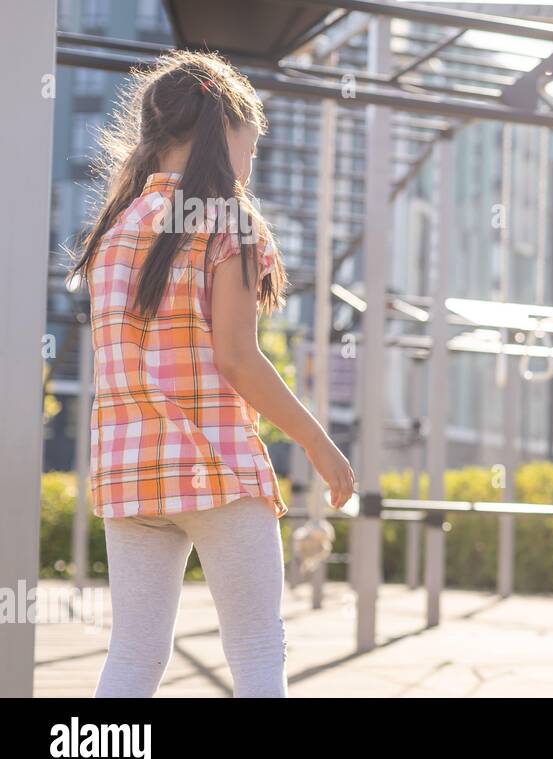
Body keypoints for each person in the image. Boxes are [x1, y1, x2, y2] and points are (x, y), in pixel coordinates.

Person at [67, 51, 354, 698]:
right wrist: (317, 442)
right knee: (256, 649)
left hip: (130, 473)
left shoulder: (112, 234)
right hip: (217, 464)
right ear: (220, 134)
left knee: (134, 657)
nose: (249, 168)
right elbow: (237, 357)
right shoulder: (230, 221)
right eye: (249, 149)